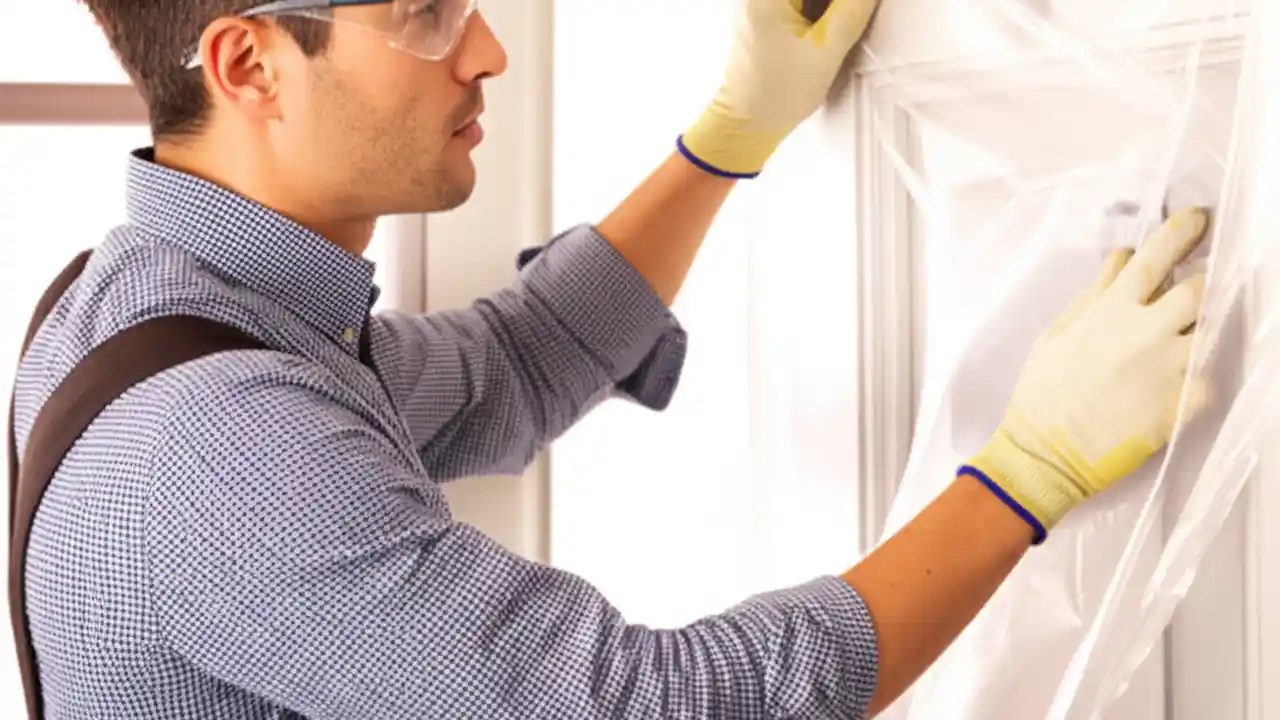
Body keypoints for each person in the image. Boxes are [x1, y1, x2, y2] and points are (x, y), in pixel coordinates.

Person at [10, 0, 1210, 717]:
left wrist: (729, 137)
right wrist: (1022, 474)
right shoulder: (221, 446)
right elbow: (653, 708)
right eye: (424, 12)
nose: (484, 51)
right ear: (249, 66)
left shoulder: (155, 305)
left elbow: (511, 368)